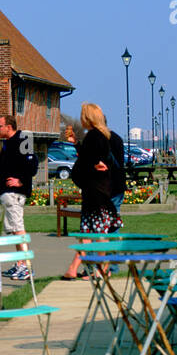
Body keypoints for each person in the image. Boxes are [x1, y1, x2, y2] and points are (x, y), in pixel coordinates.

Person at [62, 103, 123, 279]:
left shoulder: (93, 137)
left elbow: (87, 163)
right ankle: (79, 268)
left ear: (87, 117)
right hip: (100, 190)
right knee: (91, 231)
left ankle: (99, 268)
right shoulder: (104, 136)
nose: (81, 119)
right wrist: (77, 145)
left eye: (82, 116)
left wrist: (83, 170)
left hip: (96, 192)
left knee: (95, 231)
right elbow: (98, 160)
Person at [0, 114, 37, 279]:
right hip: (8, 192)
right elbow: (3, 168)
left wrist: (21, 181)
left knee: (18, 229)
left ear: (8, 126)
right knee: (15, 229)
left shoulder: (23, 138)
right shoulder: (8, 144)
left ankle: (27, 266)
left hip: (15, 193)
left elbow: (32, 164)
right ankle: (20, 263)